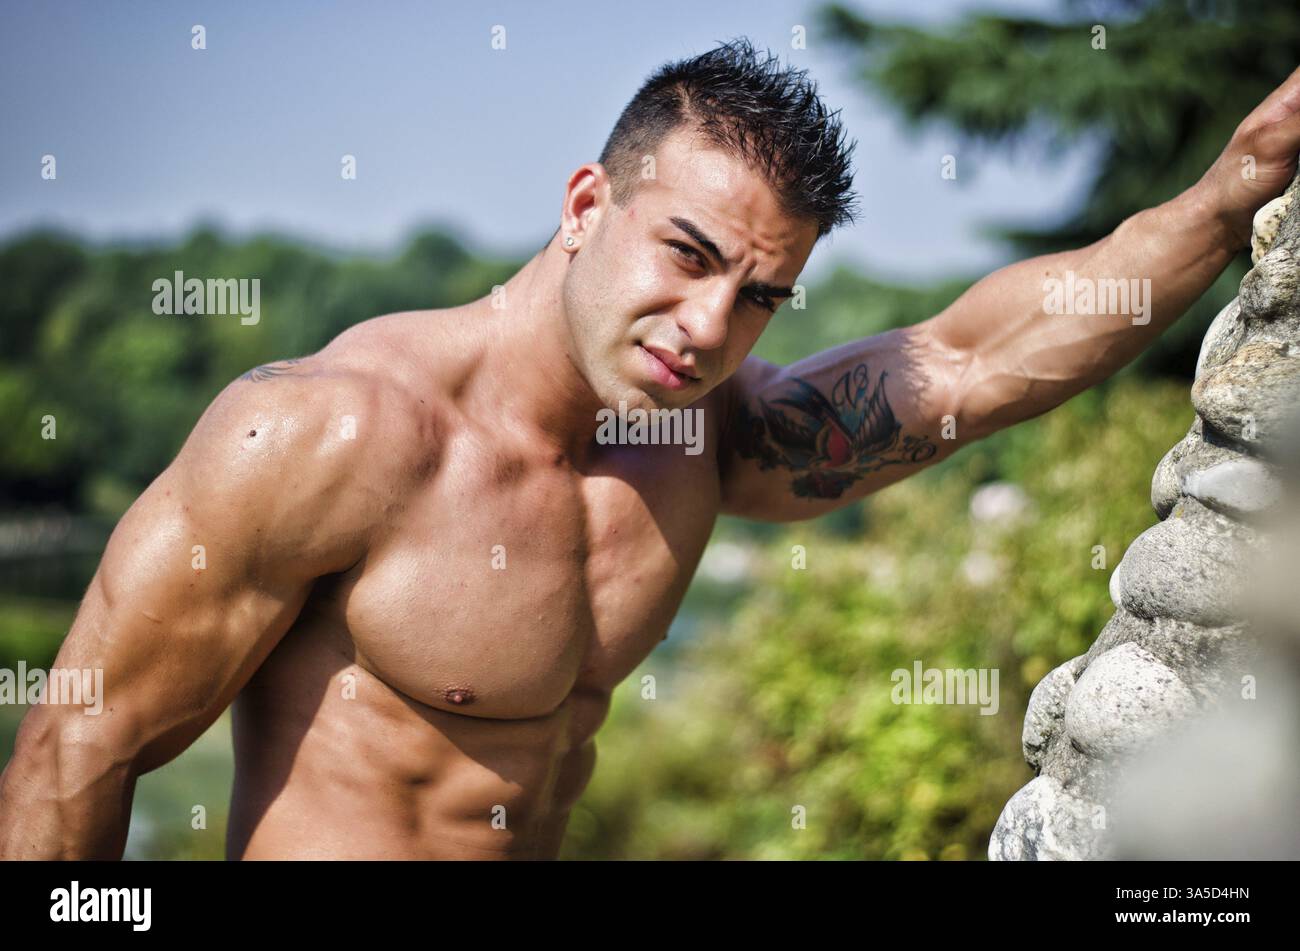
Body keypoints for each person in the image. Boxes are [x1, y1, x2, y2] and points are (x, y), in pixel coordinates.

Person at [2, 38, 1298, 860]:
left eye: (758, 295)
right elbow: (76, 750)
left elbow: (966, 364)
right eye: (686, 256)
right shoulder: (329, 433)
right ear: (587, 203)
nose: (707, 324)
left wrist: (1236, 180)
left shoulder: (702, 440)